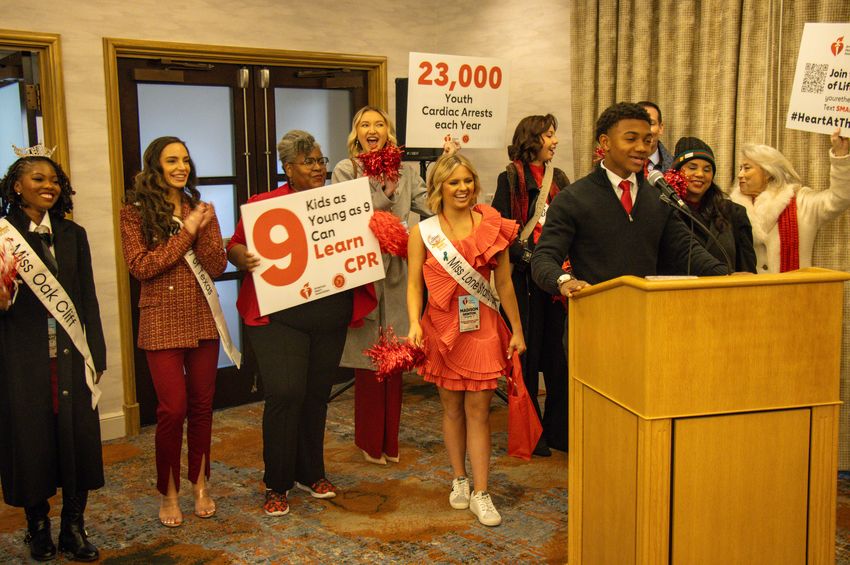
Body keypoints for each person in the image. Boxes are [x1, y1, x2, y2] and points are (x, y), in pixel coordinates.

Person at [228, 130, 376, 516]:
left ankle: (311, 472)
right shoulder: (264, 206)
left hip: (329, 315)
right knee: (286, 393)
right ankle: (276, 482)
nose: (318, 167)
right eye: (309, 161)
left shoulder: (340, 203)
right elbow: (234, 246)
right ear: (288, 168)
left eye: (321, 160)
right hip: (281, 319)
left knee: (314, 396)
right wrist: (242, 256)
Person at [407, 153, 526, 527]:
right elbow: (413, 284)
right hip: (440, 326)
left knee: (480, 411)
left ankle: (481, 492)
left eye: (468, 181)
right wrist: (413, 321)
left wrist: (517, 329)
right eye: (454, 182)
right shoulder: (423, 232)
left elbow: (504, 284)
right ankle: (459, 479)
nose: (463, 188)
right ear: (438, 187)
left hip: (483, 327)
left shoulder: (493, 226)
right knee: (451, 409)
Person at [0, 148, 106, 561]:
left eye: (54, 180)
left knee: (76, 439)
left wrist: (95, 354)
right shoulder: (3, 234)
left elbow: (88, 300)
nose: (49, 186)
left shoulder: (72, 234)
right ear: (17, 187)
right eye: (38, 179)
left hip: (70, 355)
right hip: (22, 358)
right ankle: (38, 526)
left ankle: (73, 527)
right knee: (33, 441)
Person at [120, 136, 227, 527]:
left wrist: (207, 228)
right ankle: (168, 491)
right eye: (171, 160)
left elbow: (215, 267)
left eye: (185, 159)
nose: (181, 166)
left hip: (202, 317)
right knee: (172, 410)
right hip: (161, 319)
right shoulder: (133, 214)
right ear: (156, 167)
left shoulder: (198, 209)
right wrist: (187, 231)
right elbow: (142, 267)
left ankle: (200, 483)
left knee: (202, 407)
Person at [331, 106, 442, 465]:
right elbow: (349, 216)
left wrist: (447, 167)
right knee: (368, 360)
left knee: (395, 356)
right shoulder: (346, 169)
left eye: (379, 123)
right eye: (365, 124)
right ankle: (368, 441)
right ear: (357, 133)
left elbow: (430, 206)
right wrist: (388, 220)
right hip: (363, 269)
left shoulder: (407, 172)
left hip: (398, 270)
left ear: (389, 131)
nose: (372, 129)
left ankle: (389, 442)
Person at [531, 102, 729, 298]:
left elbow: (687, 251)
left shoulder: (659, 198)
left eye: (647, 140)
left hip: (646, 318)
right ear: (605, 142)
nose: (642, 148)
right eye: (631, 139)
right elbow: (544, 257)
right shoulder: (573, 198)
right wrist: (564, 281)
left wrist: (728, 276)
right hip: (594, 317)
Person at [491, 114, 570, 456]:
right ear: (532, 138)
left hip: (555, 282)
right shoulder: (510, 177)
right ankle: (532, 432)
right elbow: (500, 227)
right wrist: (528, 260)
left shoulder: (561, 178)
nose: (554, 141)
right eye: (549, 135)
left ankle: (558, 430)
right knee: (527, 356)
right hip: (523, 281)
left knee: (558, 359)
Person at [729, 129, 850, 273]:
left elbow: (840, 197)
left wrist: (841, 157)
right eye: (740, 168)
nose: (740, 174)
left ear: (768, 173)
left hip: (795, 293)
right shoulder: (728, 209)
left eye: (747, 168)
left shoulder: (802, 203)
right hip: (747, 294)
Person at [668, 136, 757, 273]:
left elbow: (747, 270)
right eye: (692, 167)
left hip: (725, 291)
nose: (700, 174)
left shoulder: (733, 213)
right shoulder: (666, 210)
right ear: (677, 172)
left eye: (707, 169)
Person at [637, 101, 674, 172]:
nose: (645, 130)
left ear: (660, 128)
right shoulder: (618, 164)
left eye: (651, 123)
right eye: (639, 124)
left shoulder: (675, 167)